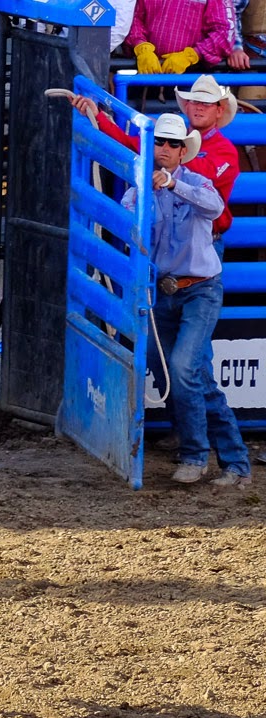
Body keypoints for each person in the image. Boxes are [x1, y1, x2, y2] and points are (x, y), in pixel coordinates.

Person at [119, 114, 252, 487]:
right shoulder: (140, 189)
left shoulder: (198, 182)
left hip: (199, 289)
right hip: (165, 291)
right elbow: (128, 222)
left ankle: (196, 455)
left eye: (172, 144)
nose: (164, 149)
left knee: (181, 368)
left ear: (182, 152)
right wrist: (150, 192)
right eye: (159, 142)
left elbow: (214, 208)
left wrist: (174, 184)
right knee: (187, 373)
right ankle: (235, 461)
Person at [72, 75, 240, 257]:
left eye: (206, 103)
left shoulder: (225, 151)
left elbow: (205, 174)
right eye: (194, 101)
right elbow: (127, 144)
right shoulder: (171, 142)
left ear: (219, 110)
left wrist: (164, 144)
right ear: (187, 106)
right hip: (164, 238)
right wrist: (97, 116)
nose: (199, 107)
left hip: (201, 240)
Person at [125, 0, 233, 73]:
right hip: (145, 72)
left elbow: (224, 32)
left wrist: (192, 55)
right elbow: (133, 18)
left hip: (191, 76)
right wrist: (141, 46)